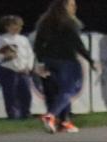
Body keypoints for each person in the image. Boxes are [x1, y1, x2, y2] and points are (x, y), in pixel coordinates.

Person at [33, 0, 96, 134]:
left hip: (49, 60)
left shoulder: (45, 22)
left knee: (59, 91)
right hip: (67, 60)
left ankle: (64, 121)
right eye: (71, 5)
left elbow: (38, 44)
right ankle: (51, 115)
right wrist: (90, 60)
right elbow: (77, 43)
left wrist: (41, 62)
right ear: (64, 6)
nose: (75, 7)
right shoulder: (69, 23)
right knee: (69, 90)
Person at [0, 15, 38, 121]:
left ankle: (25, 114)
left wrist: (28, 67)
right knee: (10, 94)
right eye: (14, 25)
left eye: (20, 26)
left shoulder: (23, 39)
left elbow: (30, 54)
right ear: (7, 27)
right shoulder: (2, 39)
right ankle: (13, 116)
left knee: (26, 94)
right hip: (8, 70)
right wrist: (4, 56)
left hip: (23, 71)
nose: (18, 28)